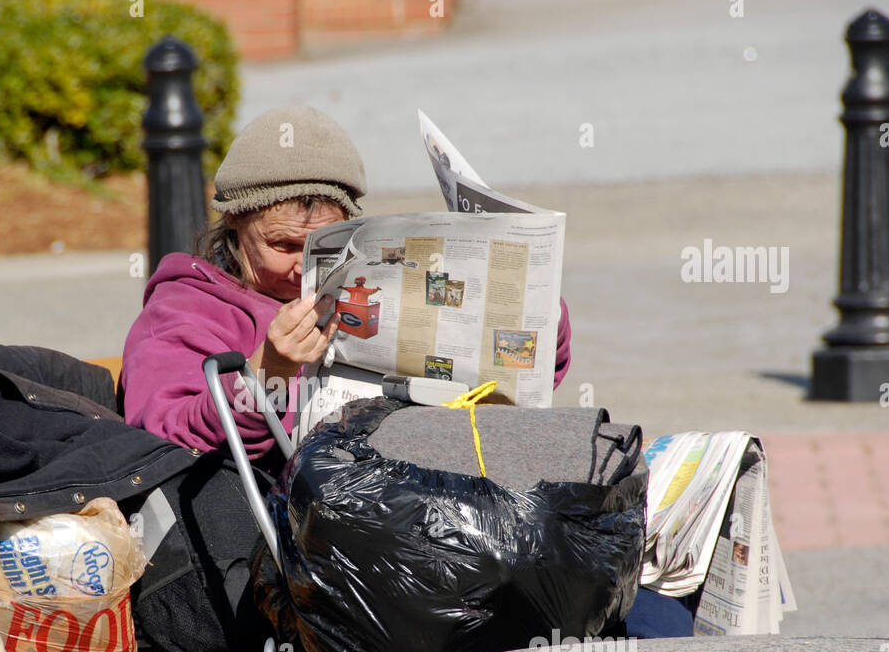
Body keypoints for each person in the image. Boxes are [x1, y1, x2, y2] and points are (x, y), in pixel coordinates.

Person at [121, 105, 572, 469]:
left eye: (322, 247)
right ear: (235, 221)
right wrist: (268, 371)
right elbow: (169, 438)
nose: (301, 268)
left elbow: (517, 388)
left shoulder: (372, 280)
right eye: (282, 244)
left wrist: (535, 310)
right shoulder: (186, 307)